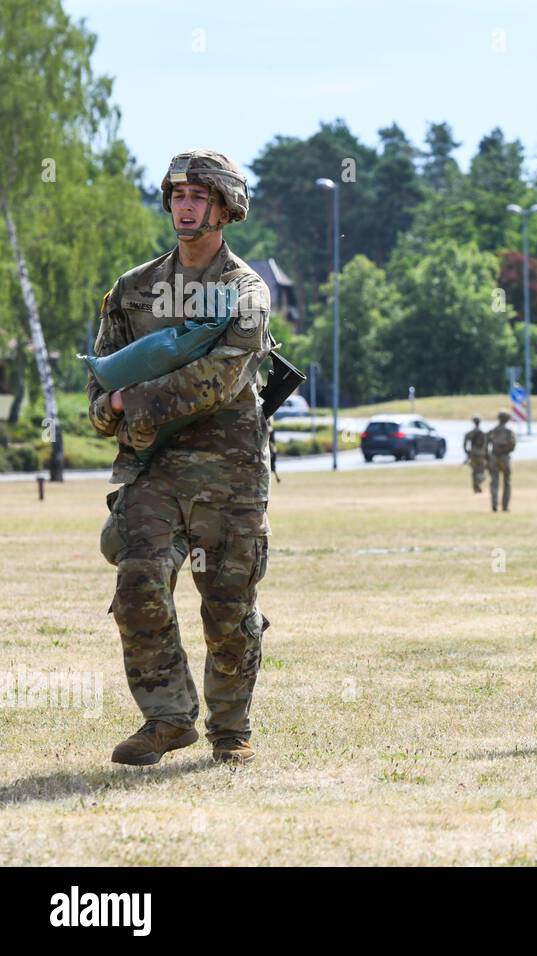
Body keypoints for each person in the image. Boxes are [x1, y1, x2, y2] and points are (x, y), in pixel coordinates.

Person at [88, 149, 273, 766]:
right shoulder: (133, 289)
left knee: (228, 605)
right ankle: (166, 718)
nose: (184, 205)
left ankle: (230, 730)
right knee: (139, 580)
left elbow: (217, 382)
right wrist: (104, 408)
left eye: (198, 196)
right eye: (176, 195)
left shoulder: (244, 290)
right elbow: (97, 387)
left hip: (230, 473)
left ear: (224, 207)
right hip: (153, 468)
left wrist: (129, 401)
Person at [487, 410, 515, 512]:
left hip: (494, 457)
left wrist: (488, 456)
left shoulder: (493, 431)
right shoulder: (508, 431)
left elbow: (486, 444)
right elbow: (512, 445)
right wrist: (504, 450)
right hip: (505, 458)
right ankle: (505, 506)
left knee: (494, 481)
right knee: (506, 482)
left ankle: (494, 504)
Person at [463, 415, 488, 493]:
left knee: (474, 471)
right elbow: (486, 445)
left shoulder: (470, 433)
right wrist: (487, 455)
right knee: (481, 471)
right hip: (481, 454)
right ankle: (477, 486)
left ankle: (476, 486)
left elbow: (465, 444)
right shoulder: (483, 433)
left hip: (473, 454)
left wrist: (467, 452)